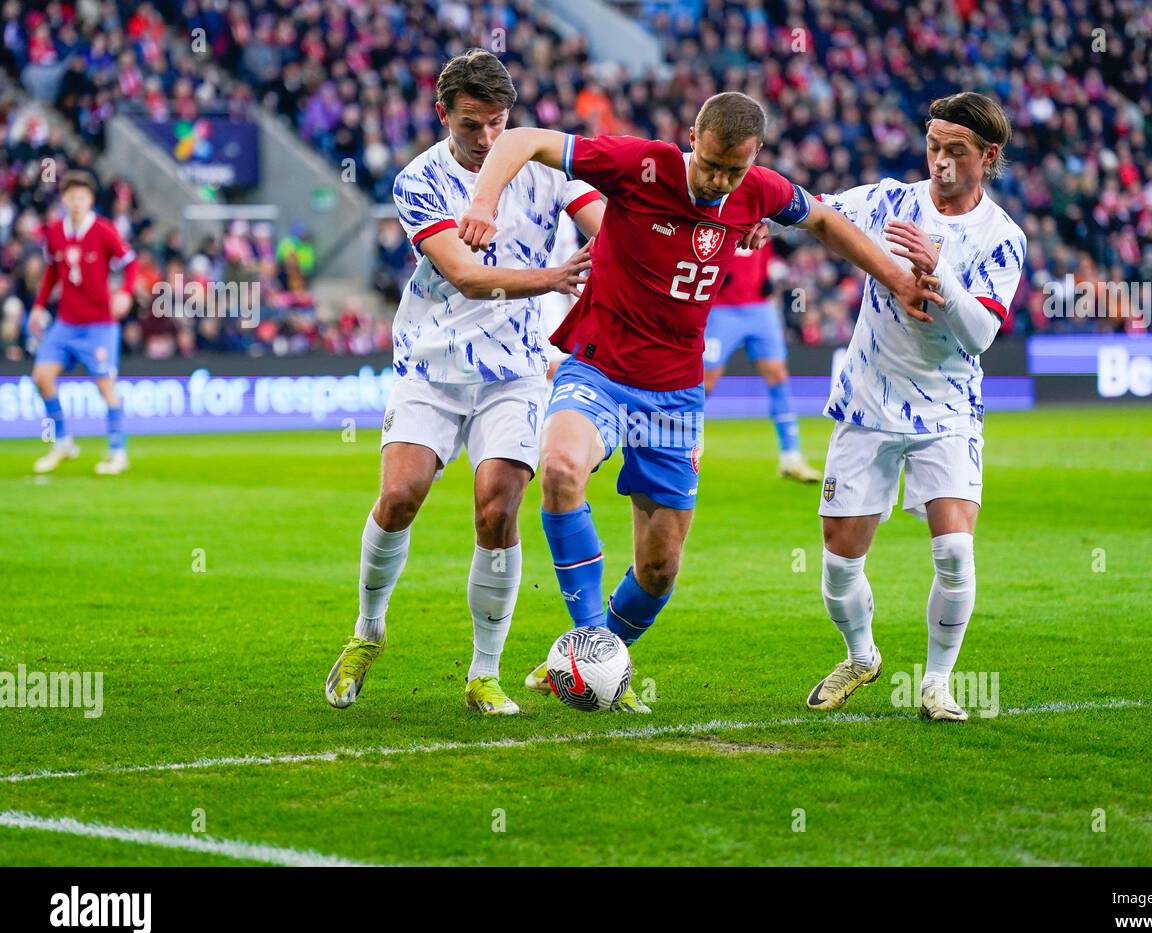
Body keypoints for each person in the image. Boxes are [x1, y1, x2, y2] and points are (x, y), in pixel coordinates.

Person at [460, 91, 943, 713]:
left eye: (732, 171)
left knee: (659, 569)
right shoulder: (641, 164)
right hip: (599, 365)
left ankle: (601, 651)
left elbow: (823, 220)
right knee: (558, 469)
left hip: (675, 393)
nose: (718, 182)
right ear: (692, 136)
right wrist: (483, 201)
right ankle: (586, 640)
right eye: (710, 163)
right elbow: (524, 138)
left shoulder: (760, 191)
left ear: (755, 158)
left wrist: (899, 278)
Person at [323, 49, 604, 716]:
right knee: (400, 495)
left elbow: (606, 223)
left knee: (496, 505)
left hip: (516, 372)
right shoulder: (418, 181)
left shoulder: (544, 163)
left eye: (497, 124)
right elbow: (469, 276)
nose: (485, 140)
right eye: (471, 125)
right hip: (433, 364)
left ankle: (483, 673)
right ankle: (368, 631)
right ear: (443, 114)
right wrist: (558, 278)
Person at [804, 92, 1026, 722]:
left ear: (987, 155)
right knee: (840, 559)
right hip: (869, 402)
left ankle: (935, 684)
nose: (941, 161)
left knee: (955, 552)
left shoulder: (1003, 237)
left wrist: (938, 271)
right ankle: (861, 656)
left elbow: (981, 335)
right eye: (934, 146)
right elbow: (811, 212)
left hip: (948, 412)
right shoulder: (885, 201)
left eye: (956, 150)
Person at [30, 170, 136, 476]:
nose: (76, 202)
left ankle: (118, 452)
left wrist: (125, 294)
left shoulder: (104, 230)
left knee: (105, 386)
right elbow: (52, 272)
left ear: (90, 200)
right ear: (64, 199)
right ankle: (61, 441)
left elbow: (129, 265)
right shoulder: (54, 232)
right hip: (66, 322)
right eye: (71, 197)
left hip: (99, 324)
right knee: (41, 376)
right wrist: (38, 306)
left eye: (82, 197)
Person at [702, 240, 820, 482]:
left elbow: (787, 238)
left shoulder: (762, 211)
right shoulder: (718, 208)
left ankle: (792, 457)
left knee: (777, 375)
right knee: (704, 383)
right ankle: (680, 449)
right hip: (721, 308)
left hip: (760, 308)